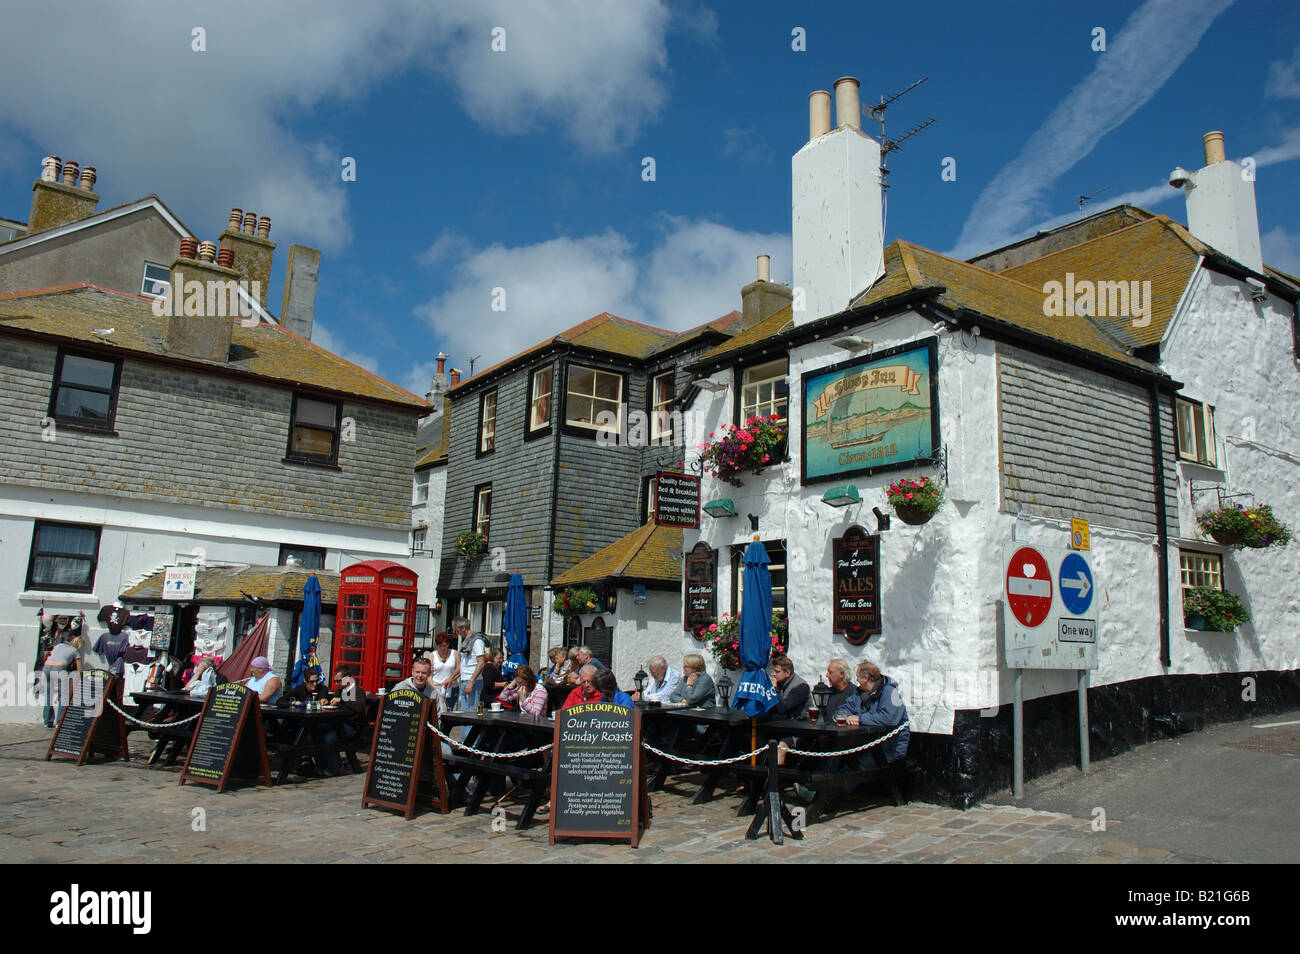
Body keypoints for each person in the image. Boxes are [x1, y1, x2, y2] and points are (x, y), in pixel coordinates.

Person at [843, 661, 910, 765]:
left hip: (889, 750)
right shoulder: (860, 694)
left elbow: (889, 718)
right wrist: (846, 717)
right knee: (844, 761)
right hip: (867, 747)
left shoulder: (891, 692)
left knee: (851, 768)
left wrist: (859, 719)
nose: (856, 680)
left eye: (858, 677)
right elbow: (844, 709)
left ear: (866, 678)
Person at [320, 666, 369, 775]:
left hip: (353, 726)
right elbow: (337, 704)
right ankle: (322, 765)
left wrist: (341, 701)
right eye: (335, 681)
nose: (336, 683)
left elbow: (359, 707)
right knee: (316, 731)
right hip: (339, 723)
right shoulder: (340, 690)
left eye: (338, 680)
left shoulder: (357, 690)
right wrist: (327, 701)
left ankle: (335, 766)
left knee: (330, 738)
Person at [42, 633, 83, 728]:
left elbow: (51, 654)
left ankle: (47, 721)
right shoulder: (75, 650)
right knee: (64, 695)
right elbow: (79, 670)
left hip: (47, 666)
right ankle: (59, 722)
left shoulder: (59, 645)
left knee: (48, 694)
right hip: (59, 667)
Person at [453, 617, 487, 711]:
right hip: (465, 680)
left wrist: (471, 681)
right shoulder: (467, 642)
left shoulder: (477, 641)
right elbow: (464, 664)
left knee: (471, 712)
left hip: (473, 681)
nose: (457, 633)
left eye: (457, 630)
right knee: (464, 712)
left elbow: (481, 663)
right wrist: (451, 679)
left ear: (463, 628)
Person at [428, 633, 461, 710]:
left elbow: (459, 670)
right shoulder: (432, 655)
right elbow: (428, 674)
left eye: (444, 646)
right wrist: (434, 687)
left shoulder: (455, 654)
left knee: (449, 710)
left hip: (451, 688)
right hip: (436, 687)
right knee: (435, 711)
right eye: (440, 646)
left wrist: (450, 679)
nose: (442, 648)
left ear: (448, 644)